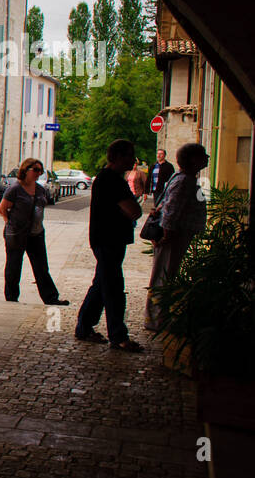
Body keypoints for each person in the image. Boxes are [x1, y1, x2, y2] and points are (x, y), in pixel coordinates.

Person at [75, 139, 144, 352]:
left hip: (106, 239)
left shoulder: (108, 178)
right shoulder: (112, 180)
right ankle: (118, 336)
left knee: (101, 284)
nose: (133, 160)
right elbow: (133, 211)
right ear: (117, 157)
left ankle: (84, 326)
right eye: (129, 155)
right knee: (113, 287)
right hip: (109, 239)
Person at [144, 143, 209, 332]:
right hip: (173, 236)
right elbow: (171, 209)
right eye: (203, 155)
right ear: (193, 159)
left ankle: (158, 317)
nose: (206, 159)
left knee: (164, 275)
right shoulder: (184, 180)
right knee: (163, 275)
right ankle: (156, 320)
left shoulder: (182, 178)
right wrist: (167, 233)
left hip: (175, 234)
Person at [0, 158, 67, 305]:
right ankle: (11, 297)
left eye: (40, 171)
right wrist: (10, 223)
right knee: (14, 264)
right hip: (17, 233)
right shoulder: (15, 189)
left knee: (41, 266)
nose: (38, 173)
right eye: (35, 170)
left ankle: (50, 297)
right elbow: (2, 209)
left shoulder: (40, 189)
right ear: (26, 170)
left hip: (36, 232)